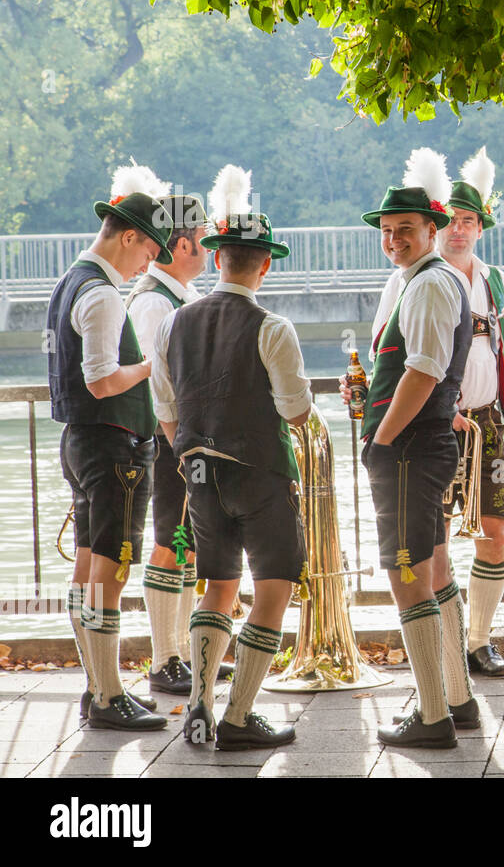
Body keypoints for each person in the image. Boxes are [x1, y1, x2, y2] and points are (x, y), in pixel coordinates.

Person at [154, 165, 311, 749]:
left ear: (218, 257)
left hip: (197, 471)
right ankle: (242, 716)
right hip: (260, 474)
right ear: (265, 263)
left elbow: (166, 408)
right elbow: (295, 413)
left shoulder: (174, 321)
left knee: (217, 585)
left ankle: (198, 704)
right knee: (272, 588)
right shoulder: (273, 327)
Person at [348, 148, 473, 747]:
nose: (393, 239)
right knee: (434, 566)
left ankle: (432, 715)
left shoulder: (427, 284)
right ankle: (455, 696)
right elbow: (401, 365)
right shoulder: (411, 280)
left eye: (404, 230)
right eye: (387, 231)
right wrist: (367, 386)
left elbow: (423, 371)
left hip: (410, 447)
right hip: (421, 444)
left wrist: (382, 437)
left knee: (407, 575)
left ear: (433, 229)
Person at [49, 164, 173, 731]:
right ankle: (105, 696)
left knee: (88, 565)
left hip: (82, 441)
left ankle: (101, 686)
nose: (148, 264)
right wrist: (154, 364)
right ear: (128, 237)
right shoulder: (101, 295)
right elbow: (102, 380)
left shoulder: (71, 281)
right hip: (112, 447)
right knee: (112, 567)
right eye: (149, 251)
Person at [439, 147, 504, 680]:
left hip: (487, 420)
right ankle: (444, 640)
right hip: (435, 425)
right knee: (435, 537)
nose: (459, 229)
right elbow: (388, 350)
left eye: (468, 221)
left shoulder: (495, 281)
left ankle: (478, 640)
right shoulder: (413, 279)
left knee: (493, 533)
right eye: (450, 220)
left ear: (480, 228)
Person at [126, 192, 216, 696]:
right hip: (168, 440)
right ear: (181, 244)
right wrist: (181, 446)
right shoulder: (156, 301)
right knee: (169, 544)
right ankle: (164, 660)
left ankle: (182, 652)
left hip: (184, 438)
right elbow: (157, 384)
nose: (205, 247)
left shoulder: (178, 295)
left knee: (187, 546)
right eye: (202, 238)